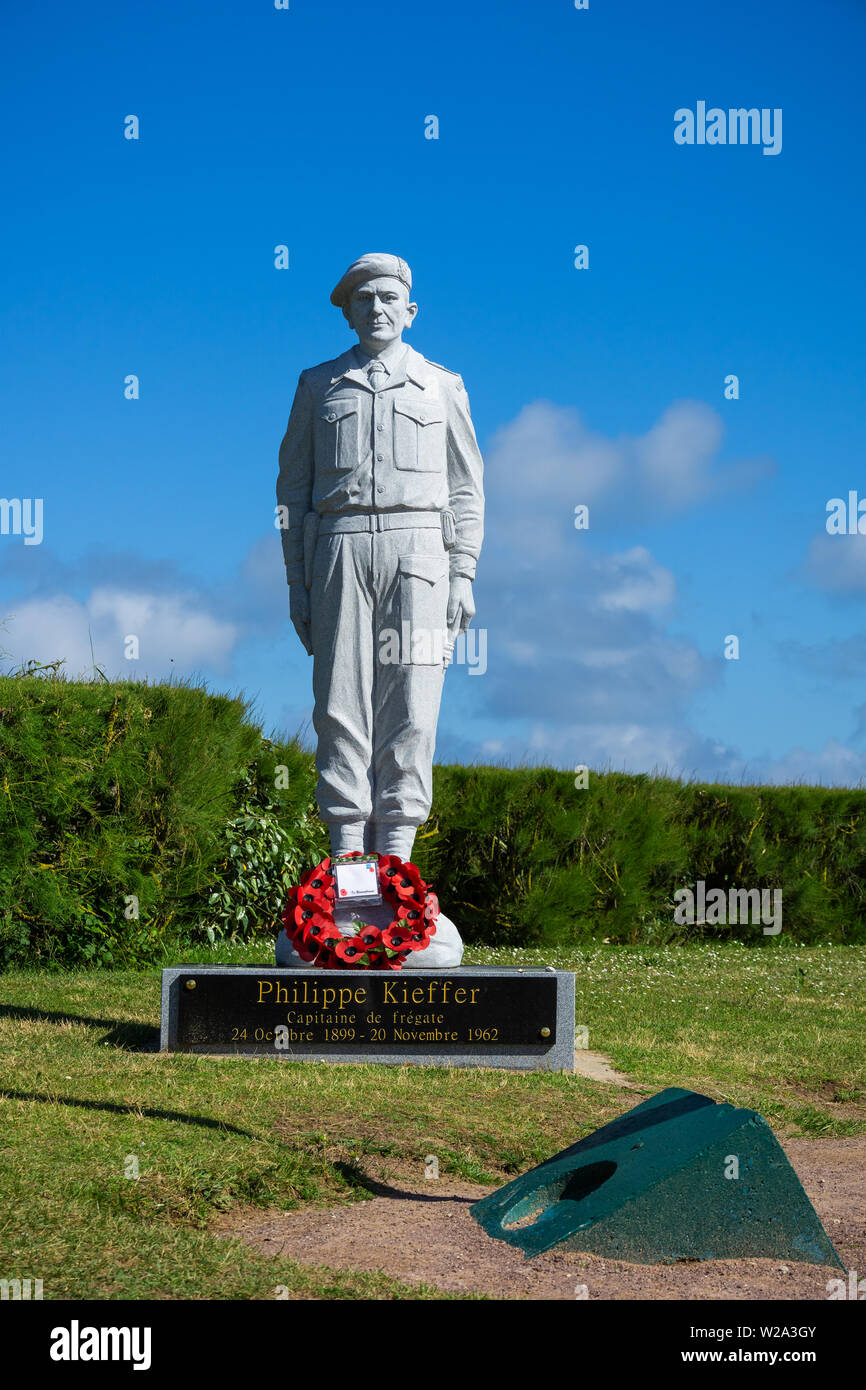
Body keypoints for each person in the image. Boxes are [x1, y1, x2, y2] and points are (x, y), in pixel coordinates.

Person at [276, 253, 484, 865]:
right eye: (363, 299)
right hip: (337, 550)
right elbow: (291, 491)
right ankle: (344, 864)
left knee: (414, 704)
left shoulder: (442, 386)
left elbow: (467, 487)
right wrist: (296, 579)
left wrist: (463, 572)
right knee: (339, 704)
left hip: (420, 552)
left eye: (389, 297)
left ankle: (395, 864)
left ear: (410, 310)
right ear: (347, 312)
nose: (377, 308)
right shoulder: (318, 387)